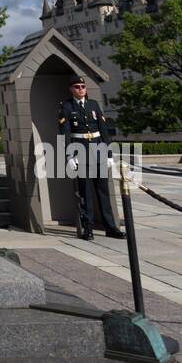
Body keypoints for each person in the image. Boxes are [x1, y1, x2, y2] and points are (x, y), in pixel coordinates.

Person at [58, 75, 125, 241]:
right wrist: (69, 156)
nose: (81, 89)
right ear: (71, 89)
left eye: (83, 86)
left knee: (104, 193)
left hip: (98, 152)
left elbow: (103, 130)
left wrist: (109, 154)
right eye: (77, 87)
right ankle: (88, 229)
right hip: (80, 153)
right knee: (86, 194)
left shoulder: (93, 104)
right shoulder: (66, 106)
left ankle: (111, 227)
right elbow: (64, 133)